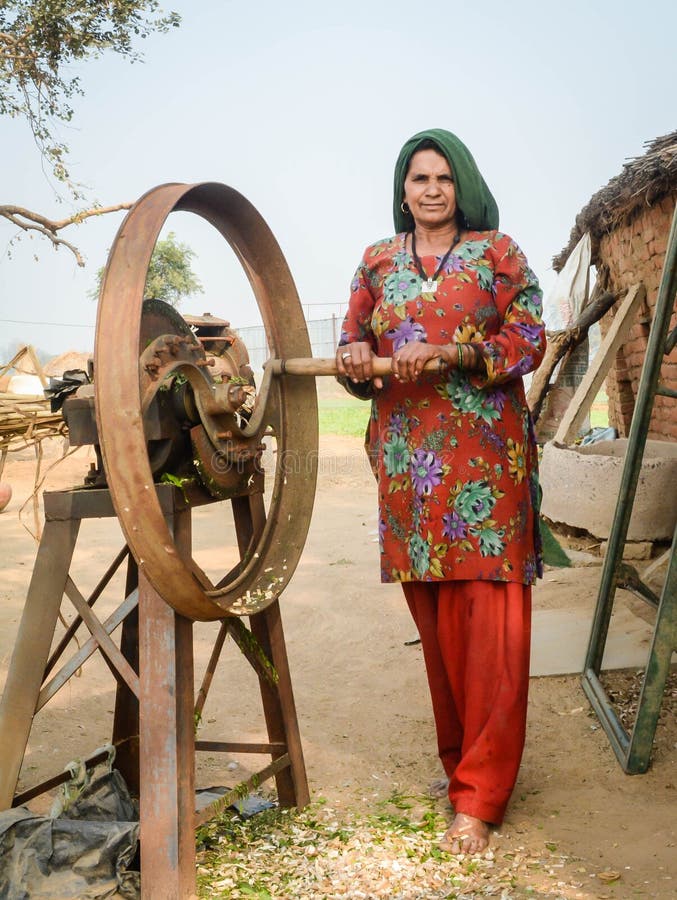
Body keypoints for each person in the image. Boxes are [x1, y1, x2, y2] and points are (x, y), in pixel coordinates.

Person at [335, 128, 546, 855]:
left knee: (490, 635)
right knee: (436, 634)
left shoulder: (498, 253)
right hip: (407, 474)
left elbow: (527, 340)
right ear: (402, 190)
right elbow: (349, 348)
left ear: (462, 187)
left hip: (485, 476)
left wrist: (454, 351)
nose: (430, 189)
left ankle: (481, 798)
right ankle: (460, 770)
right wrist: (355, 358)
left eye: (443, 178)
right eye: (418, 178)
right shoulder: (375, 261)